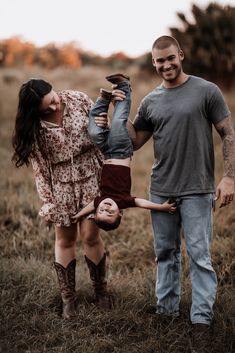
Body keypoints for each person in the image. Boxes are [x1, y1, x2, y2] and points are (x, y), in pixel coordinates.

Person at [107, 36, 235, 331]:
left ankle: (201, 317)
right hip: (161, 188)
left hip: (197, 188)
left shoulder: (206, 91)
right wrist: (120, 110)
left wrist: (228, 177)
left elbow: (228, 133)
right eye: (159, 61)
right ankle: (166, 310)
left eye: (170, 58)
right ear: (153, 63)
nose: (166, 65)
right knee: (165, 253)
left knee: (200, 255)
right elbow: (135, 141)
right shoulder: (151, 101)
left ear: (181, 55)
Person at [12, 78, 113, 319]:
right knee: (65, 238)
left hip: (91, 174)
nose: (55, 107)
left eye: (54, 100)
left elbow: (102, 130)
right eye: (47, 108)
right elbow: (40, 168)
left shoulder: (77, 99)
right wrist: (49, 200)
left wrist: (104, 123)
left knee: (90, 235)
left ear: (54, 90)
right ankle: (68, 298)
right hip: (61, 184)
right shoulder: (34, 127)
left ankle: (100, 291)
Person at [71, 73, 177, 229]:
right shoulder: (123, 200)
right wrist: (161, 207)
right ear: (119, 212)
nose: (105, 208)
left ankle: (103, 99)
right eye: (110, 212)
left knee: (93, 132)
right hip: (121, 150)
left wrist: (78, 215)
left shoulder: (100, 200)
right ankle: (124, 87)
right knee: (118, 121)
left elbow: (90, 208)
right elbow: (141, 203)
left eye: (101, 211)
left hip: (106, 152)